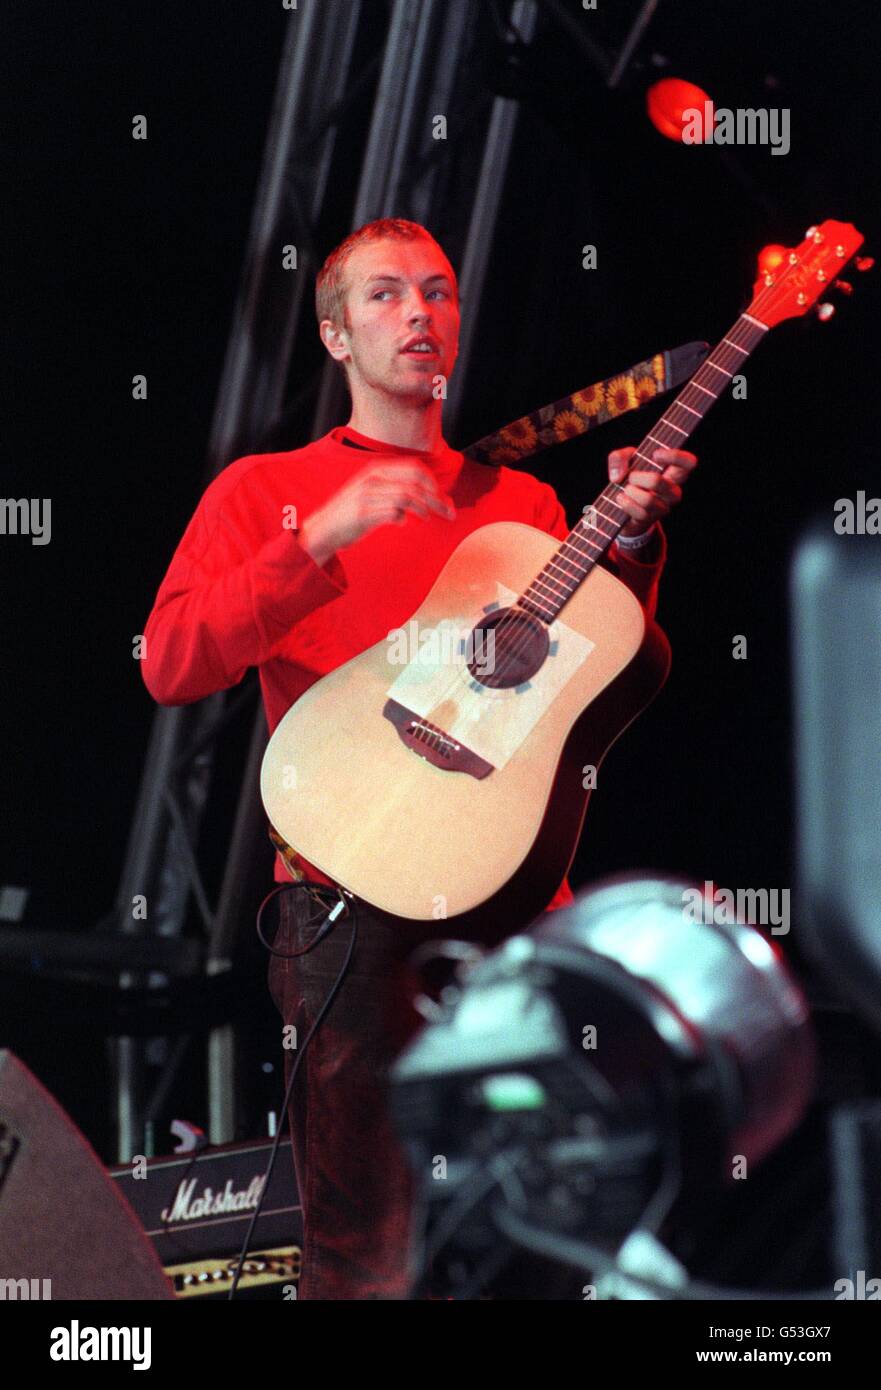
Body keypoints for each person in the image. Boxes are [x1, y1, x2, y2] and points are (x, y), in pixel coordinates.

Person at [141, 217, 698, 1298]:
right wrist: (316, 536)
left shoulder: (521, 505)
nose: (418, 314)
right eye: (386, 295)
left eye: (437, 293)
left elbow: (592, 671)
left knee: (540, 1236)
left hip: (510, 901)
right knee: (363, 1254)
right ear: (335, 332)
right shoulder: (265, 490)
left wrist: (629, 535)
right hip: (346, 907)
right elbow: (171, 661)